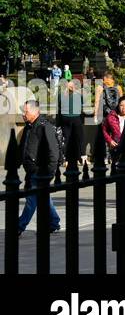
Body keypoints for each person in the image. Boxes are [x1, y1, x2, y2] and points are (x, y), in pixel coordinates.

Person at [17, 99, 62, 234]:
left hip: (40, 171)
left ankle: (19, 226)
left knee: (31, 199)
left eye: (26, 111)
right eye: (23, 111)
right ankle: (54, 222)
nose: (23, 114)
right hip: (31, 170)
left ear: (36, 112)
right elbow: (23, 148)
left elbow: (53, 151)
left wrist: (50, 171)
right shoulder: (28, 127)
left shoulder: (44, 126)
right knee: (43, 197)